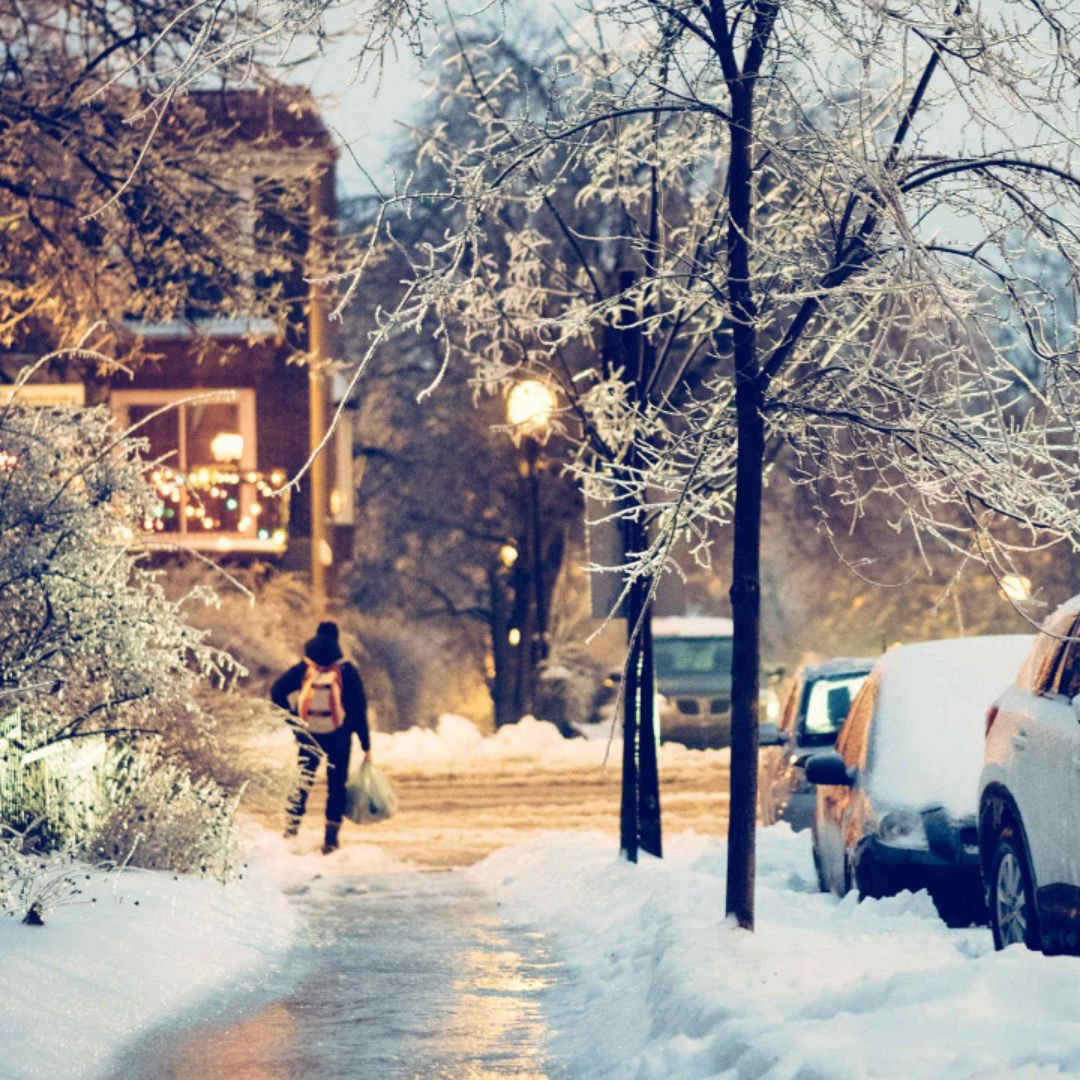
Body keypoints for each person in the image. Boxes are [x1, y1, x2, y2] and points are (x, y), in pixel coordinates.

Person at [271, 620, 371, 854]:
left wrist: (294, 721)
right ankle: (330, 841)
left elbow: (276, 691)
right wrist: (366, 743)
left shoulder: (305, 668)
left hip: (308, 735)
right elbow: (358, 709)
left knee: (302, 781)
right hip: (339, 736)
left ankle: (290, 831)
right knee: (336, 786)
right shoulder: (346, 672)